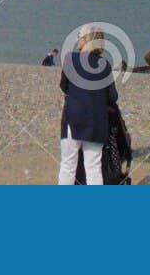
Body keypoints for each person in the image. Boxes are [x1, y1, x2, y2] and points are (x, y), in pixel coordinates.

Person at [57, 25, 119, 185]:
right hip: (96, 121)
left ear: (86, 40)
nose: (77, 39)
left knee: (68, 165)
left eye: (79, 36)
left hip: (74, 117)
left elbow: (64, 85)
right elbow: (112, 96)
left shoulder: (71, 59)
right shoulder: (104, 65)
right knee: (93, 167)